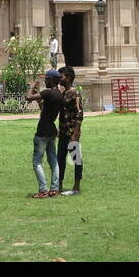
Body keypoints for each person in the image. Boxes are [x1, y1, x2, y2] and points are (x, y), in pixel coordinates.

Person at [25, 70, 64, 198]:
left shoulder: (48, 92)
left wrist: (32, 88)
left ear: (52, 80)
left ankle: (43, 190)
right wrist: (39, 100)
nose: (45, 81)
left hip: (42, 131)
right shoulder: (59, 94)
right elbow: (45, 109)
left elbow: (28, 97)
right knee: (53, 161)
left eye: (47, 79)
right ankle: (54, 189)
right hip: (52, 130)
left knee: (37, 162)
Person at [57, 66, 84, 195]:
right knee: (60, 159)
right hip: (62, 132)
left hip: (71, 132)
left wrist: (76, 132)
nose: (59, 78)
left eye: (61, 76)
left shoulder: (75, 93)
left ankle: (76, 185)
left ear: (68, 78)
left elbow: (79, 113)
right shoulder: (63, 93)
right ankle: (59, 184)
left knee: (76, 159)